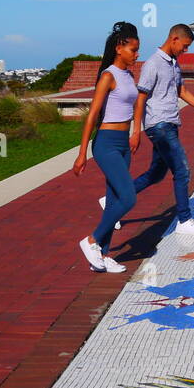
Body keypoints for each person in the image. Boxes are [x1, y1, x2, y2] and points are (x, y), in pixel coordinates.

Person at [130, 23, 194, 236]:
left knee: (155, 174)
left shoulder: (173, 64)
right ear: (174, 39)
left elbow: (182, 91)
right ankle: (184, 219)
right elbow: (141, 97)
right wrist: (136, 131)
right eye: (184, 46)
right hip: (160, 125)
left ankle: (113, 200)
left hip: (170, 124)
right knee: (182, 170)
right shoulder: (153, 64)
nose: (186, 50)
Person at [72, 21, 141, 272]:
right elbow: (92, 116)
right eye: (133, 50)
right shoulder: (108, 76)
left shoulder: (128, 75)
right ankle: (91, 240)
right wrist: (82, 154)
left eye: (137, 49)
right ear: (118, 48)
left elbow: (134, 106)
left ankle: (102, 255)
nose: (136, 54)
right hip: (106, 144)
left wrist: (136, 132)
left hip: (123, 144)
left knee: (113, 201)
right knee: (128, 197)